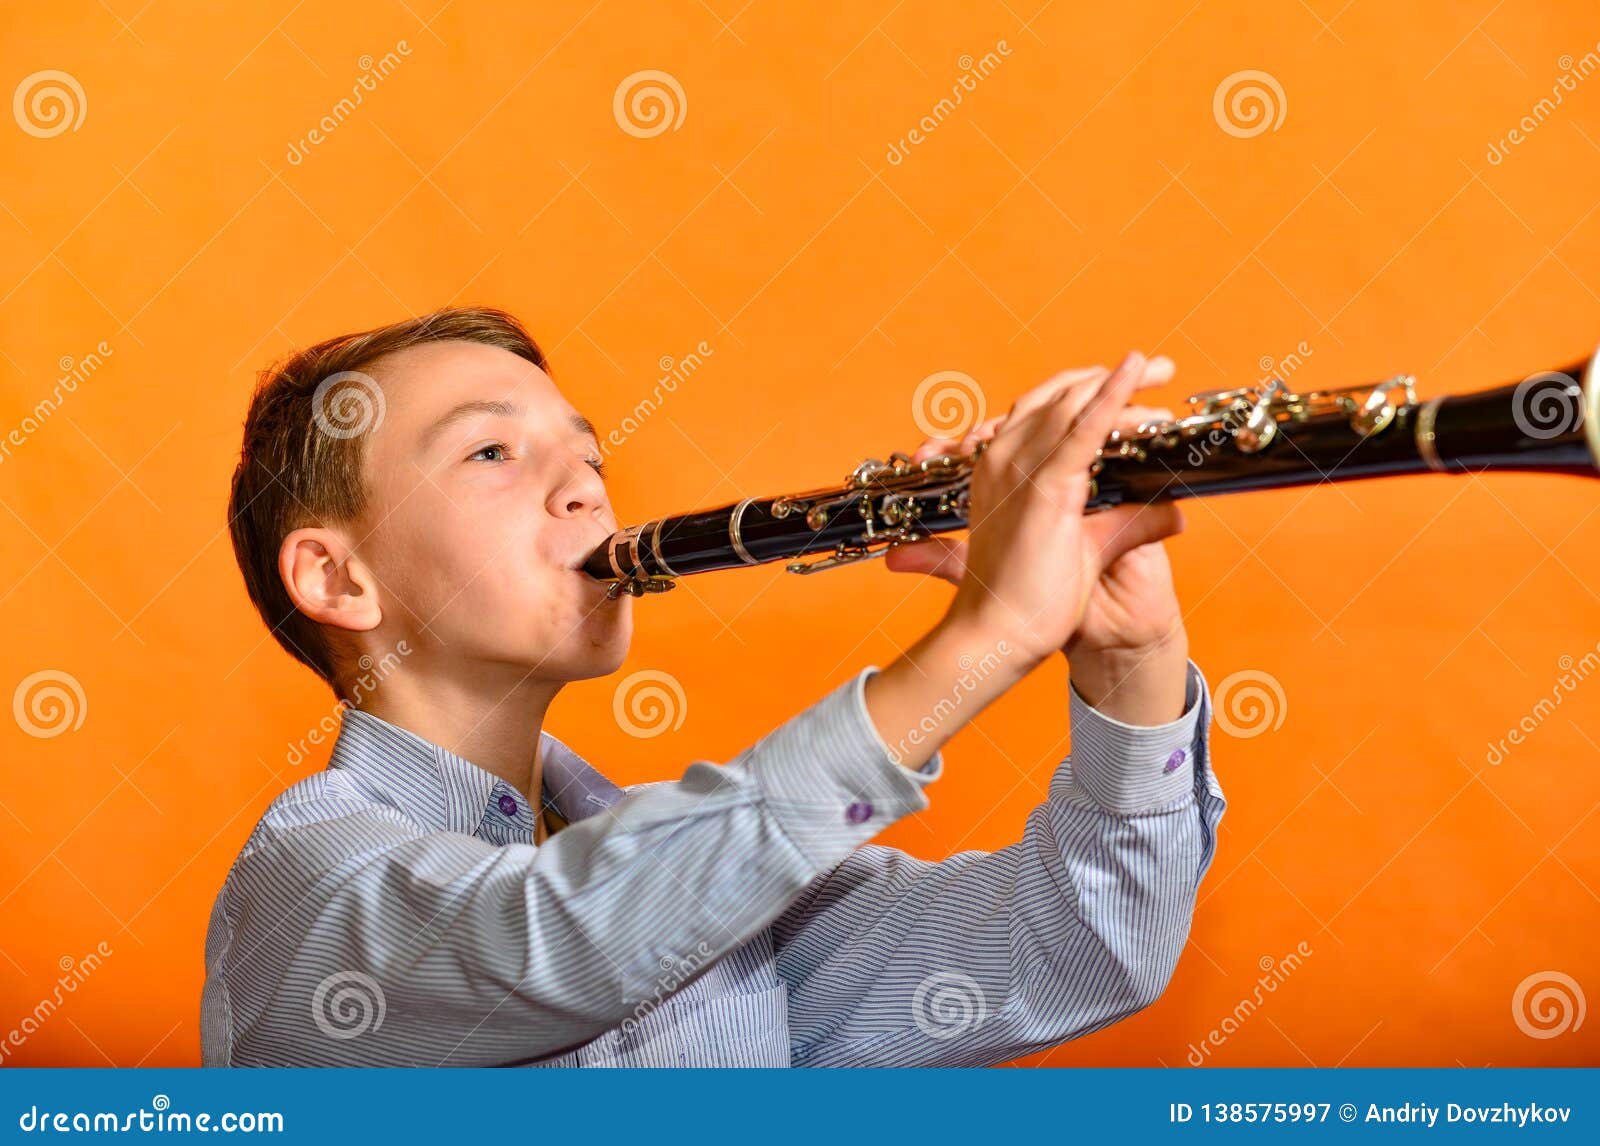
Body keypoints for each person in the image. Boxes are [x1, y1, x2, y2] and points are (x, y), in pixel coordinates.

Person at [202, 305, 1226, 1067]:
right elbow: (571, 938)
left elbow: (1080, 951)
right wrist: (988, 635)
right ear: (338, 578)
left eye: (588, 452)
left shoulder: (715, 883)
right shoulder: (309, 890)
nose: (586, 487)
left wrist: (1127, 661)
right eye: (492, 451)